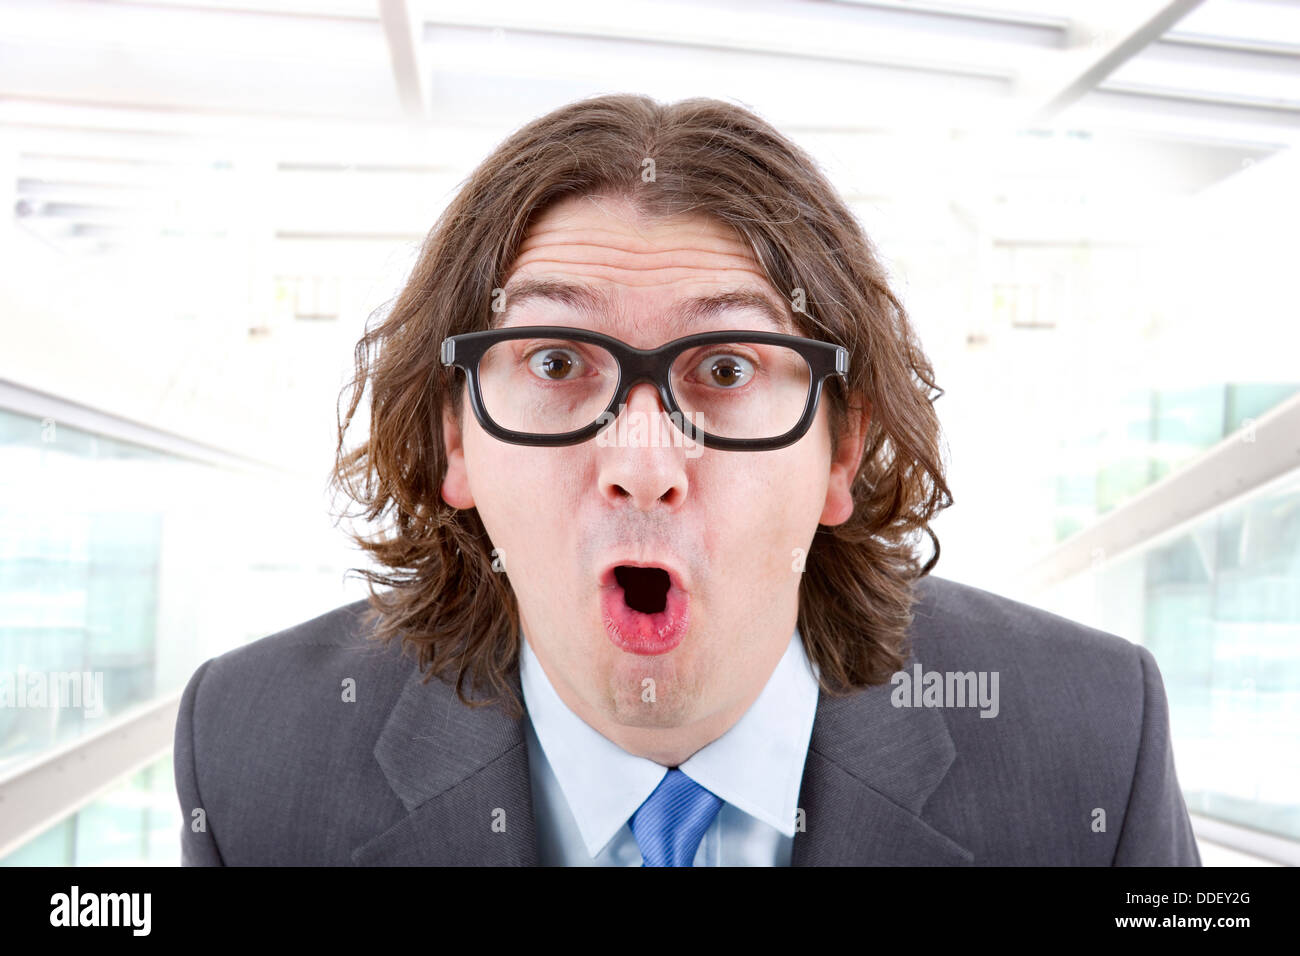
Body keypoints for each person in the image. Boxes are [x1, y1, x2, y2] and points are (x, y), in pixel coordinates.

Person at [173, 93, 1200, 866]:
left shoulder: (1094, 738)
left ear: (840, 449)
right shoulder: (251, 751)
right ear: (456, 441)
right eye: (556, 362)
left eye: (724, 369)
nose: (643, 464)